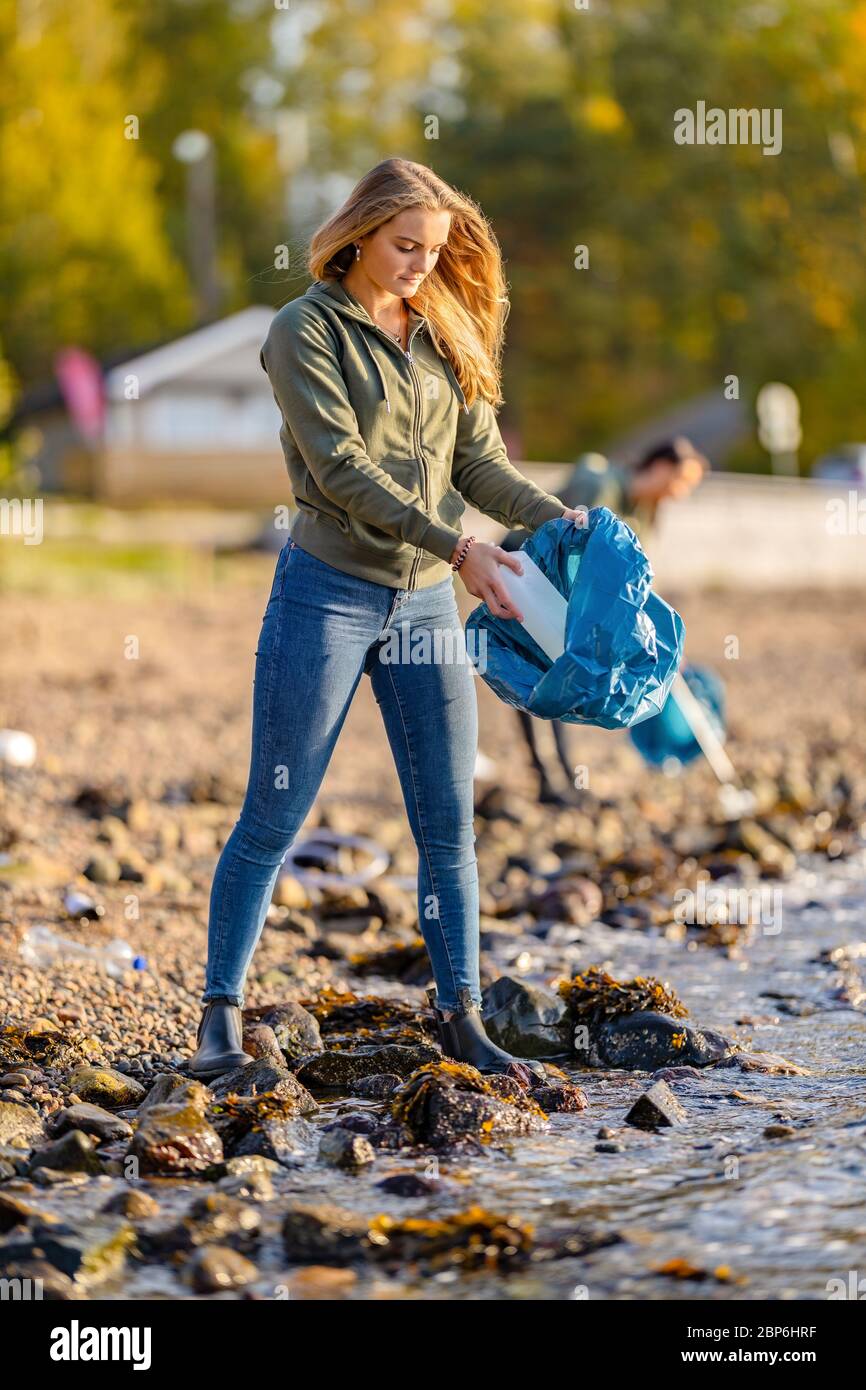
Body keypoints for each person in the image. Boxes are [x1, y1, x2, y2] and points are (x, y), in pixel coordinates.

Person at [188, 157, 585, 1081]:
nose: (420, 265)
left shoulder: (443, 332)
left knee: (448, 825)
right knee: (273, 816)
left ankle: (462, 1018)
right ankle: (218, 1017)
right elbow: (341, 472)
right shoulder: (303, 331)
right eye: (406, 246)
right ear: (360, 232)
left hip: (426, 607)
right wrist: (462, 551)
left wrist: (558, 519)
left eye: (435, 251)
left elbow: (477, 466)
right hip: (326, 594)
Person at [499, 439, 709, 804]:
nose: (681, 494)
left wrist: (662, 642)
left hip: (565, 588)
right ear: (660, 468)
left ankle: (562, 777)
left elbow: (637, 580)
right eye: (681, 482)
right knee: (541, 675)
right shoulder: (600, 487)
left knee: (559, 677)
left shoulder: (645, 511)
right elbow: (571, 550)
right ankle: (548, 777)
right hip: (524, 570)